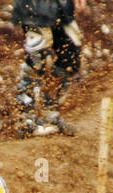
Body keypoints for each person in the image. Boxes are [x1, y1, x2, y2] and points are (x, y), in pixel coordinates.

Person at [12, 0, 87, 136]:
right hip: (34, 6)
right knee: (39, 57)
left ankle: (49, 112)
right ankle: (25, 118)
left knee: (70, 57)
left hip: (60, 5)